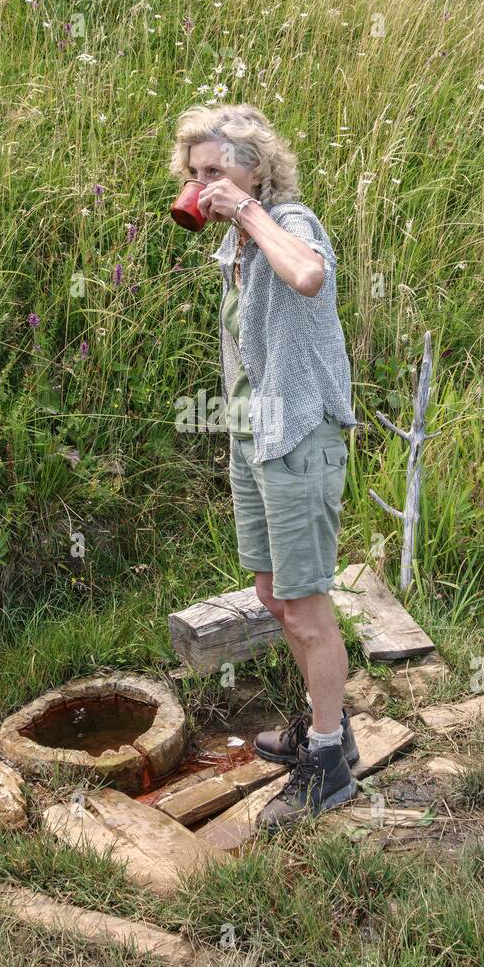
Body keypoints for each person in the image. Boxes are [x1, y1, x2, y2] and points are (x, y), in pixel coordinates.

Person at [168, 103, 360, 830]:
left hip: (299, 439)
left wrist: (247, 212)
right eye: (194, 175)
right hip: (254, 442)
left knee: (307, 608)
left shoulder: (292, 224)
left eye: (215, 170)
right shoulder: (236, 247)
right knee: (275, 596)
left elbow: (308, 276)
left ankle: (330, 765)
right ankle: (326, 725)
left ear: (256, 169)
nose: (202, 184)